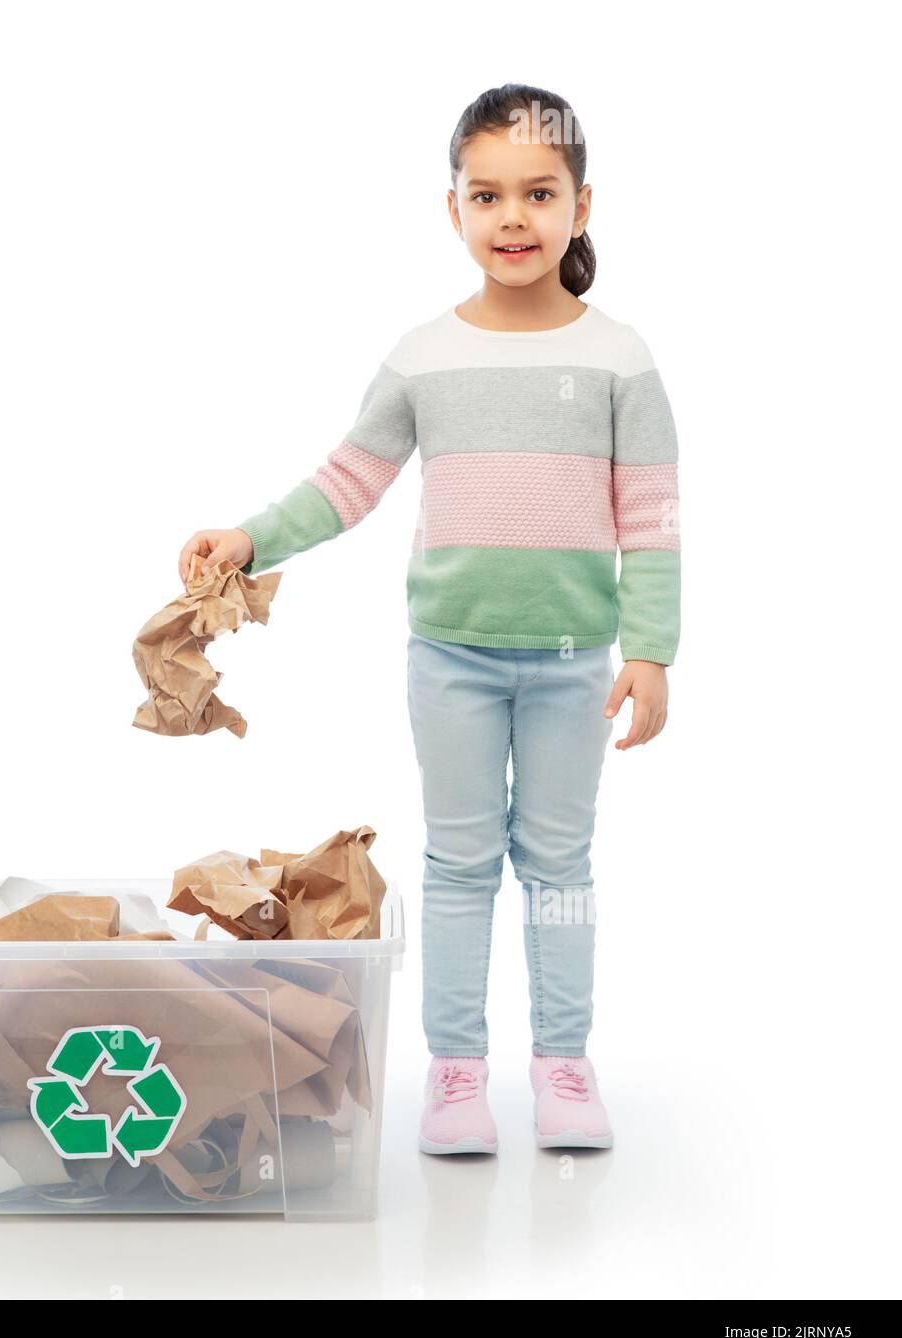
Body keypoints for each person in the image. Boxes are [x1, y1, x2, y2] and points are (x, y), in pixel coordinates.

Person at [178, 83, 679, 1154]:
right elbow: (346, 482)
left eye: (537, 194)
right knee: (457, 865)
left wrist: (649, 649)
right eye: (486, 194)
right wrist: (251, 540)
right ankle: (454, 1076)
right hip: (447, 663)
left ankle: (560, 1065)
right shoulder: (423, 356)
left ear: (580, 207)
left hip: (569, 666)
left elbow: (649, 514)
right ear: (449, 208)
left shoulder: (619, 359)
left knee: (558, 864)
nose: (511, 218)